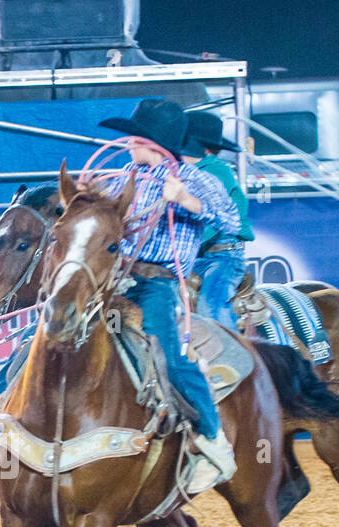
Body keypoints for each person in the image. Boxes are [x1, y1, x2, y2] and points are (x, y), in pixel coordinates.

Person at [96, 98, 241, 492]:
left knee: (167, 354)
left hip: (155, 282)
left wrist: (185, 200)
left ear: (153, 143)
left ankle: (214, 439)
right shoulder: (118, 178)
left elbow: (230, 220)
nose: (126, 144)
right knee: (45, 335)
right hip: (111, 280)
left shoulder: (194, 181)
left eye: (134, 138)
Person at [181, 111, 254, 333]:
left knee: (210, 306)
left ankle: (228, 359)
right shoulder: (183, 172)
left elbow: (213, 224)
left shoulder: (216, 172)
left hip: (221, 256)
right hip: (196, 258)